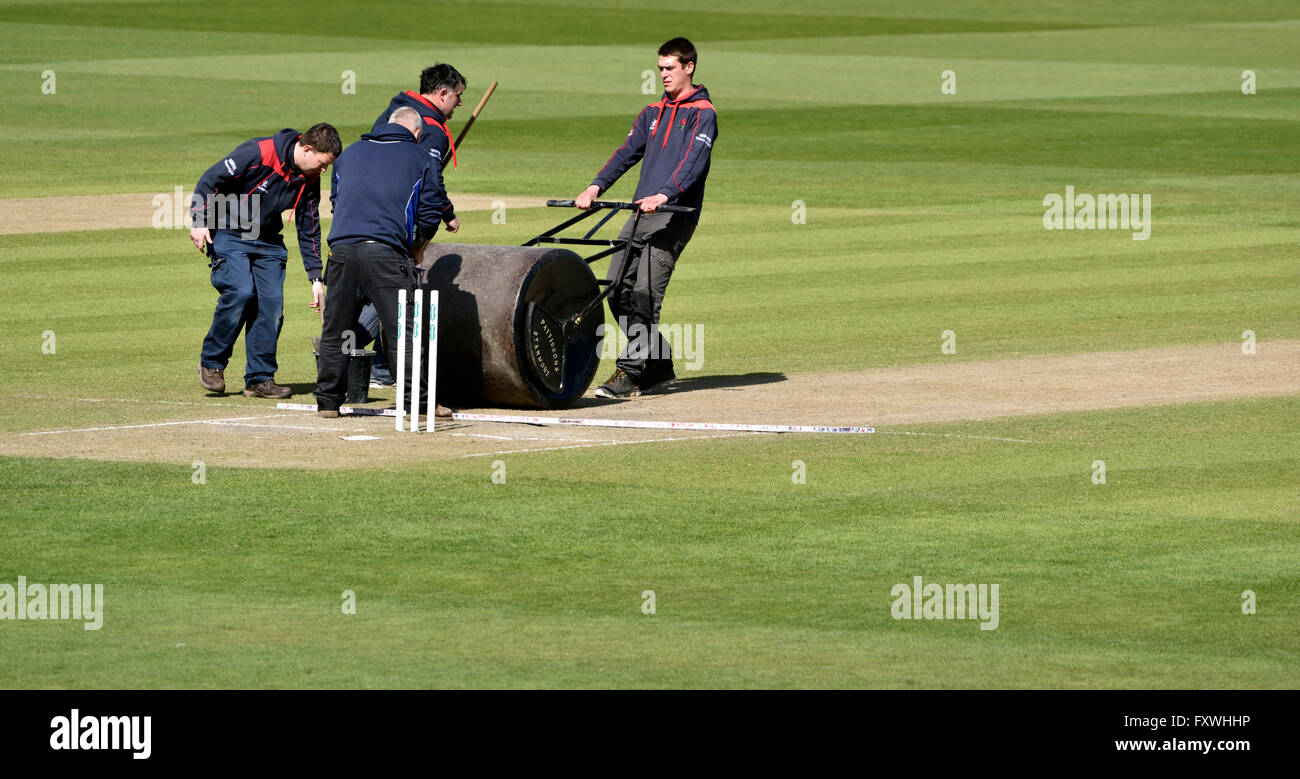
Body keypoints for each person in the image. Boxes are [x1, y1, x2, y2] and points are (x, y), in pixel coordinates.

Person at [573, 37, 717, 399]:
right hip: (641, 214)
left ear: (689, 67)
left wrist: (665, 194)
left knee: (643, 296)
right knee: (616, 290)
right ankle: (660, 364)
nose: (664, 75)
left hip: (673, 217)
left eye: (670, 68)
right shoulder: (651, 113)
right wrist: (595, 187)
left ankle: (630, 372)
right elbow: (626, 153)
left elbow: (693, 165)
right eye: (660, 69)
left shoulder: (703, 114)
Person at [314, 107, 458, 418]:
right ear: (416, 133)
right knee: (404, 332)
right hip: (386, 254)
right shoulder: (421, 158)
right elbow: (431, 212)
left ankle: (327, 402)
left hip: (340, 251)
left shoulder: (349, 154)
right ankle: (417, 404)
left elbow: (337, 201)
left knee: (336, 329)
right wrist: (418, 247)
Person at [192, 123, 341, 398]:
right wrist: (199, 221)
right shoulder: (259, 152)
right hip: (227, 229)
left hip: (268, 238)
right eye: (322, 163)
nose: (324, 171)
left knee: (270, 305)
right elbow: (210, 179)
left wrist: (315, 277)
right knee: (240, 291)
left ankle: (259, 379)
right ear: (307, 150)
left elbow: (309, 224)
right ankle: (211, 363)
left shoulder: (308, 177)